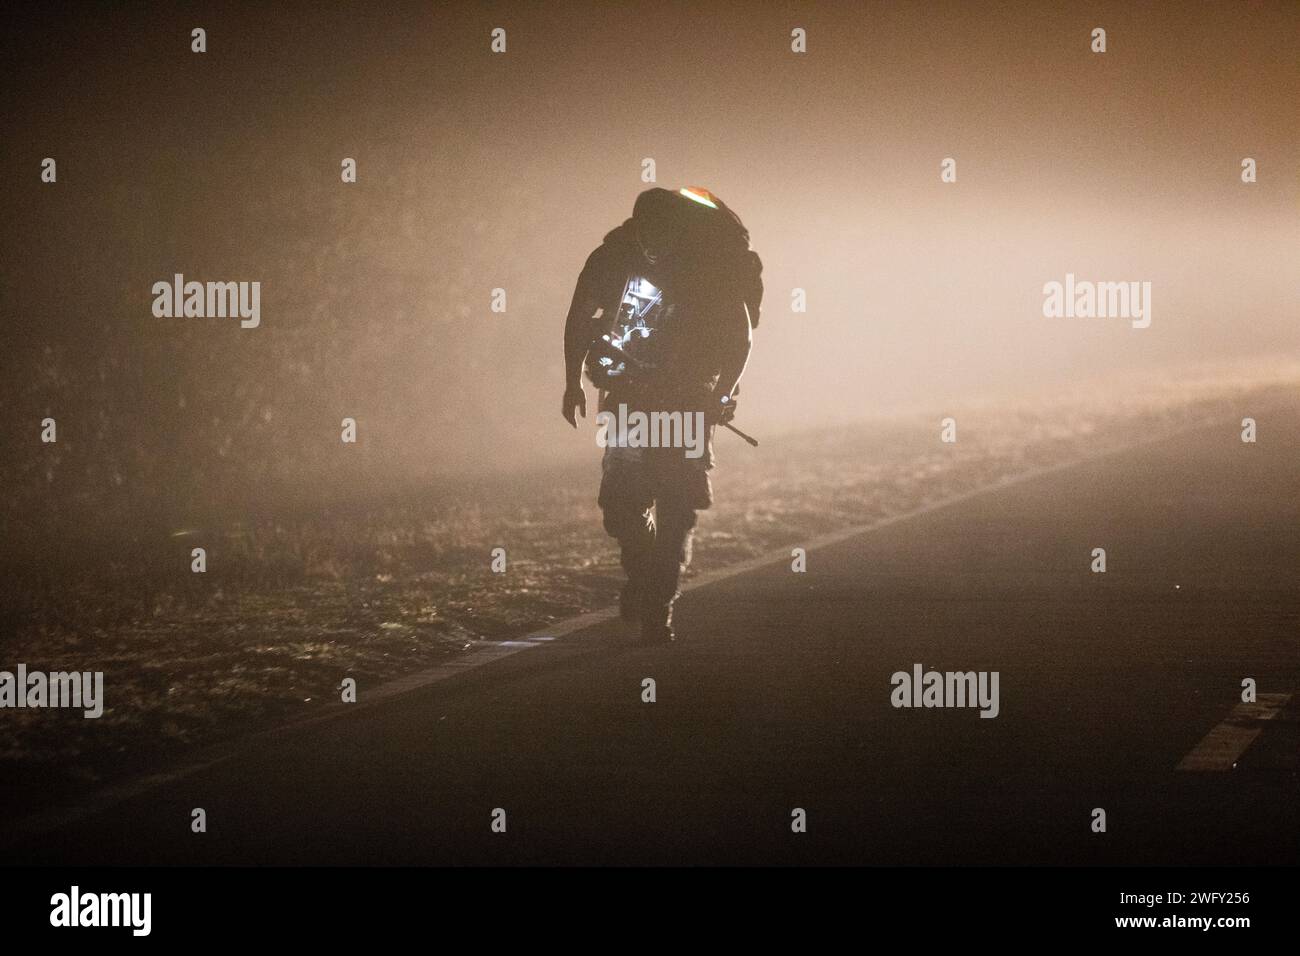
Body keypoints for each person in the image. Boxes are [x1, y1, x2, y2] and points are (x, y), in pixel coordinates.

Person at [561, 187, 763, 643]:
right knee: (620, 504)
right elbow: (579, 317)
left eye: (663, 232)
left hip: (690, 397)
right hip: (628, 396)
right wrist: (572, 381)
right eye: (647, 232)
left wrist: (723, 393)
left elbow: (740, 334)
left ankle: (659, 603)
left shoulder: (710, 267)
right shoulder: (613, 257)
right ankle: (644, 575)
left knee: (678, 503)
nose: (654, 242)